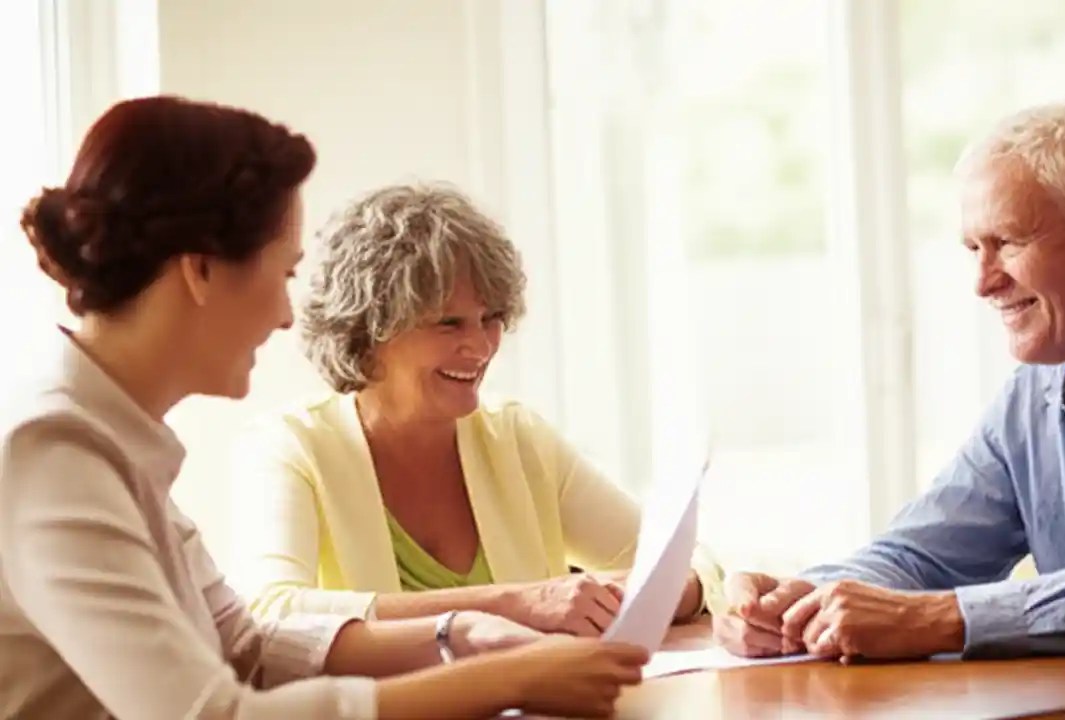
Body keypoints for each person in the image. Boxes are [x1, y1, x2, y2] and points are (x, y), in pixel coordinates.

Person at [0, 95, 648, 720]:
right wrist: (501, 679)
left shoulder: (111, 444)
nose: (286, 316)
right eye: (283, 275)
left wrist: (460, 633)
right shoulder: (53, 454)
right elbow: (213, 715)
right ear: (199, 270)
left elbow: (246, 645)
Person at [712, 103, 1065, 669]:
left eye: (1007, 242)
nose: (983, 283)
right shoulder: (1032, 398)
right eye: (972, 249)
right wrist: (796, 605)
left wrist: (947, 619)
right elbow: (918, 556)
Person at [233, 182, 722, 635]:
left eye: (491, 319)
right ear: (369, 331)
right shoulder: (292, 447)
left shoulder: (517, 438)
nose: (482, 347)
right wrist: (519, 602)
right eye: (449, 324)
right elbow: (272, 612)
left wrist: (637, 594)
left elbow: (685, 565)